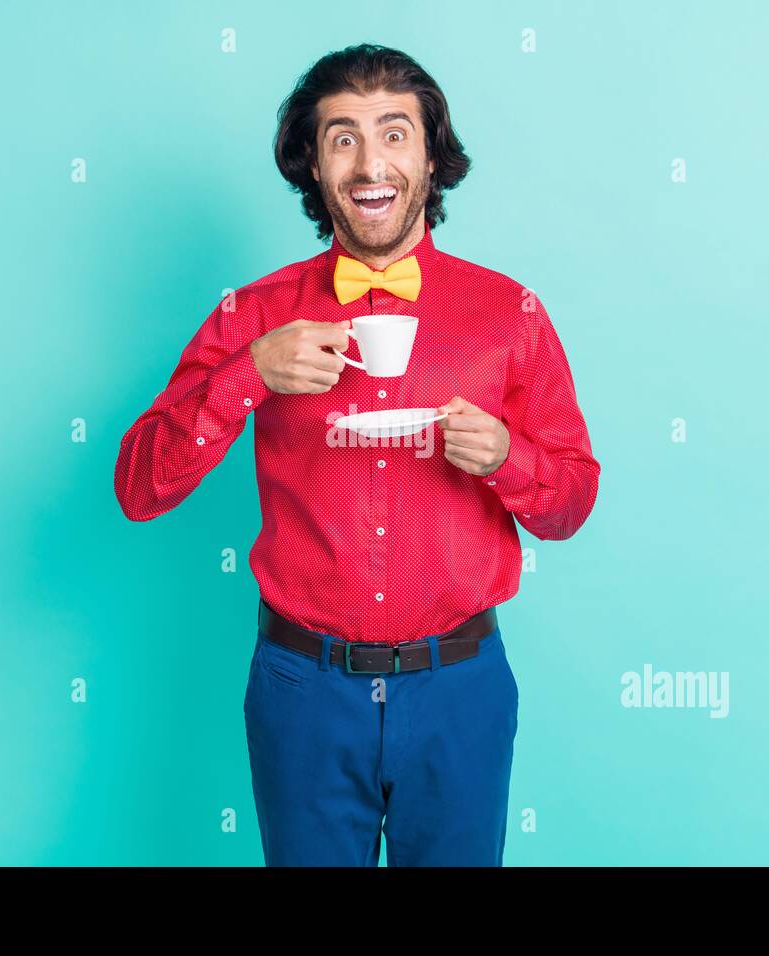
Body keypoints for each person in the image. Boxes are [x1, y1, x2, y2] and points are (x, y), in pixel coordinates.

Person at [115, 43, 601, 866]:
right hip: (302, 691)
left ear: (431, 155)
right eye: (342, 137)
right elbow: (139, 488)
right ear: (311, 161)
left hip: (460, 689)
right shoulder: (254, 316)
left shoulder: (508, 314)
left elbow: (571, 504)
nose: (371, 162)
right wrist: (248, 376)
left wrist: (507, 460)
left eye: (394, 134)